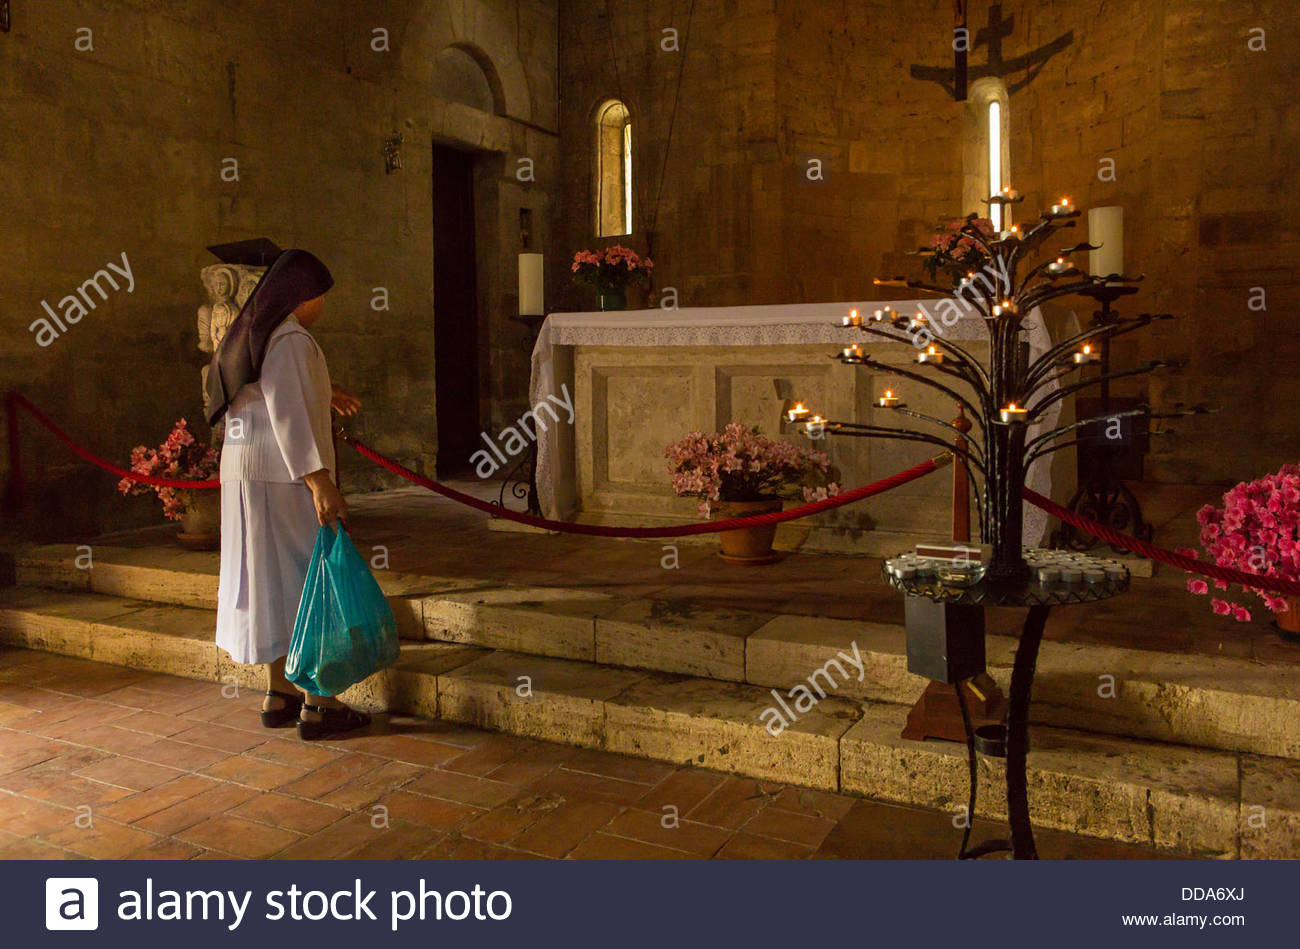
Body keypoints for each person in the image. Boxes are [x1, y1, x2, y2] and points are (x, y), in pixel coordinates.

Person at [204, 249, 367, 740]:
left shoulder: (257, 331)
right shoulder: (293, 337)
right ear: (301, 295)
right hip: (283, 475)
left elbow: (262, 391)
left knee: (270, 581)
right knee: (307, 580)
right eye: (321, 295)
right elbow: (288, 415)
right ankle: (321, 703)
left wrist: (324, 389)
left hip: (247, 472)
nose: (323, 305)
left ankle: (280, 691)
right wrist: (318, 479)